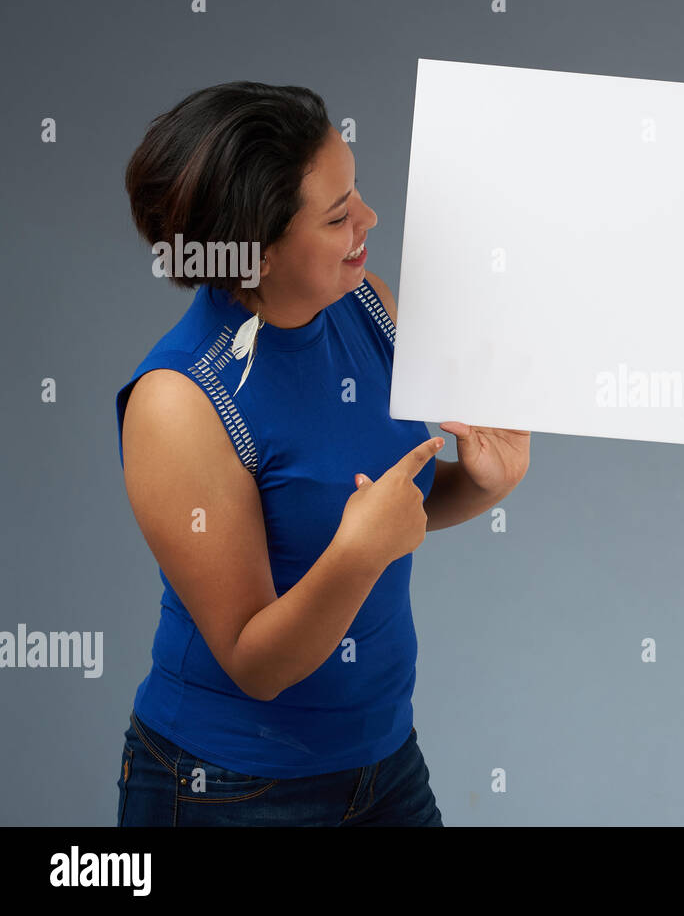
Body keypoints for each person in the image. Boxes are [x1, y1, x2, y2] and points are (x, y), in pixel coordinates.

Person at [113, 81, 530, 826]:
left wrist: (478, 483)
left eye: (356, 191)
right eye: (338, 215)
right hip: (230, 785)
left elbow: (381, 506)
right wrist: (357, 558)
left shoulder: (369, 305)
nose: (369, 219)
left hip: (383, 762)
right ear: (259, 252)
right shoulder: (180, 402)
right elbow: (254, 660)